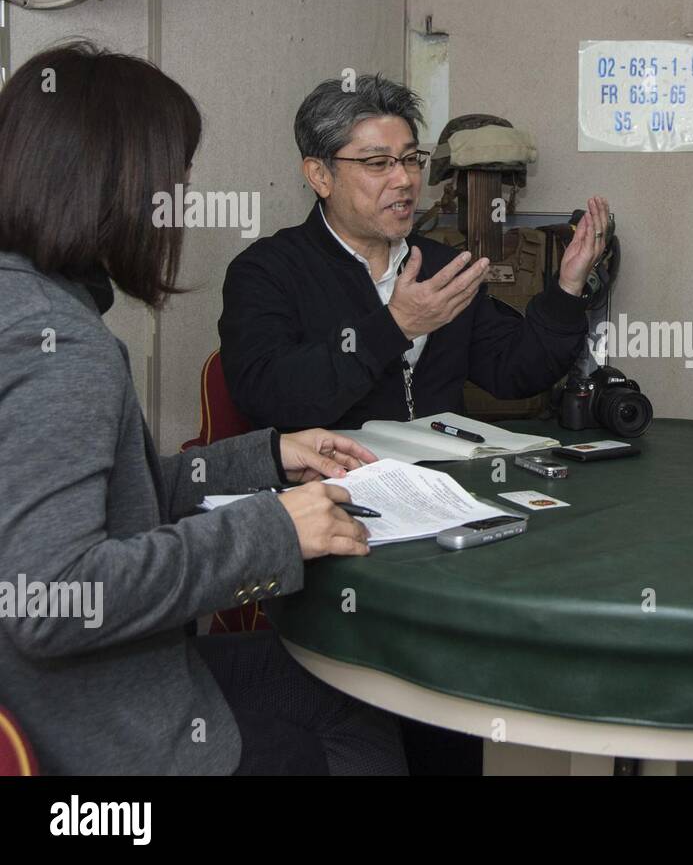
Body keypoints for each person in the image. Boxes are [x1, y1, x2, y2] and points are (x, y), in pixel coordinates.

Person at [0, 42, 405, 775]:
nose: (180, 205)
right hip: (100, 735)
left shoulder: (22, 308)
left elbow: (73, 507)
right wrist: (271, 526)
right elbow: (52, 598)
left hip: (54, 699)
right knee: (360, 694)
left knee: (346, 690)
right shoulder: (59, 345)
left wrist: (263, 457)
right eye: (173, 182)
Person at [219, 75, 609, 432]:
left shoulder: (441, 266)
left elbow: (513, 373)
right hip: (327, 494)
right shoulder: (267, 271)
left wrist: (567, 287)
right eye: (377, 163)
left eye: (409, 159)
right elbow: (268, 399)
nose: (404, 179)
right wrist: (396, 325)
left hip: (441, 485)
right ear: (320, 176)